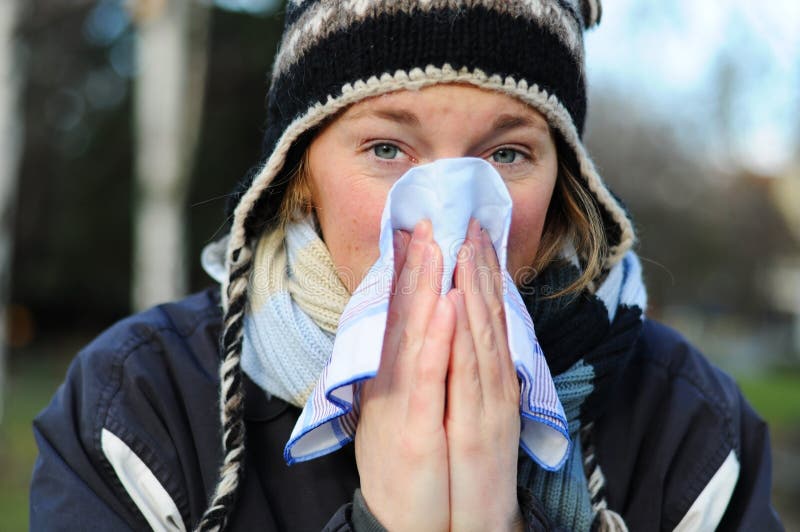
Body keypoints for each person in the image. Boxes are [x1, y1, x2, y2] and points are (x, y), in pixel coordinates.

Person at [30, 1, 783, 531]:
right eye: (388, 148)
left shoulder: (686, 428)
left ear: (566, 186)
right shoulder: (138, 411)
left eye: (508, 153)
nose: (444, 215)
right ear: (301, 173)